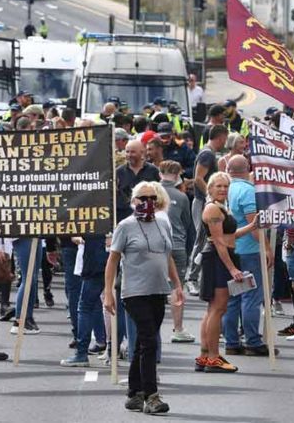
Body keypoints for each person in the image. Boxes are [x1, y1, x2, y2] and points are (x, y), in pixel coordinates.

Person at [104, 181, 185, 414]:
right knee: (149, 340)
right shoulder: (125, 226)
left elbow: (167, 256)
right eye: (142, 198)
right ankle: (152, 395)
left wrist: (177, 284)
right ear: (133, 201)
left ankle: (134, 393)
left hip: (158, 289)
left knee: (142, 341)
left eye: (152, 198)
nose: (147, 202)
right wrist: (108, 292)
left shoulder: (162, 223)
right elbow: (113, 260)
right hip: (134, 292)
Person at [195, 172, 257, 373]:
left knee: (214, 308)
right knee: (218, 308)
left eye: (225, 186)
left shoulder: (222, 208)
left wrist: (252, 226)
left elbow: (230, 235)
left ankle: (205, 355)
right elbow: (219, 242)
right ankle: (212, 357)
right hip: (217, 259)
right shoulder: (212, 208)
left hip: (223, 256)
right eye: (218, 186)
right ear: (210, 188)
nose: (222, 189)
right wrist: (232, 268)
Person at [222, 155, 275, 357]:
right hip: (249, 250)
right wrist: (267, 248)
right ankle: (253, 341)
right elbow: (255, 227)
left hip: (231, 249)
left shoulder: (227, 189)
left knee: (234, 298)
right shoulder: (248, 191)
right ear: (248, 168)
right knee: (251, 296)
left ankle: (232, 341)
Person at [188, 124, 229, 294]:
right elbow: (198, 178)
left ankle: (199, 276)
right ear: (220, 137)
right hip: (202, 202)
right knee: (201, 239)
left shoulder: (207, 153)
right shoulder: (207, 154)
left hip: (203, 201)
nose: (225, 142)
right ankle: (191, 278)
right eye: (225, 139)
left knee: (206, 239)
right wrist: (211, 197)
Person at [159, 161, 195, 343]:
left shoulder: (151, 193)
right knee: (177, 287)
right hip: (177, 245)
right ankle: (178, 328)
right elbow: (188, 224)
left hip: (155, 246)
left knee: (152, 287)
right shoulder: (181, 197)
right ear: (178, 175)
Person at [60, 235, 109, 366]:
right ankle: (113, 349)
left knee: (85, 307)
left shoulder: (94, 218)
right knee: (115, 307)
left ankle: (82, 353)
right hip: (113, 259)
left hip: (95, 261)